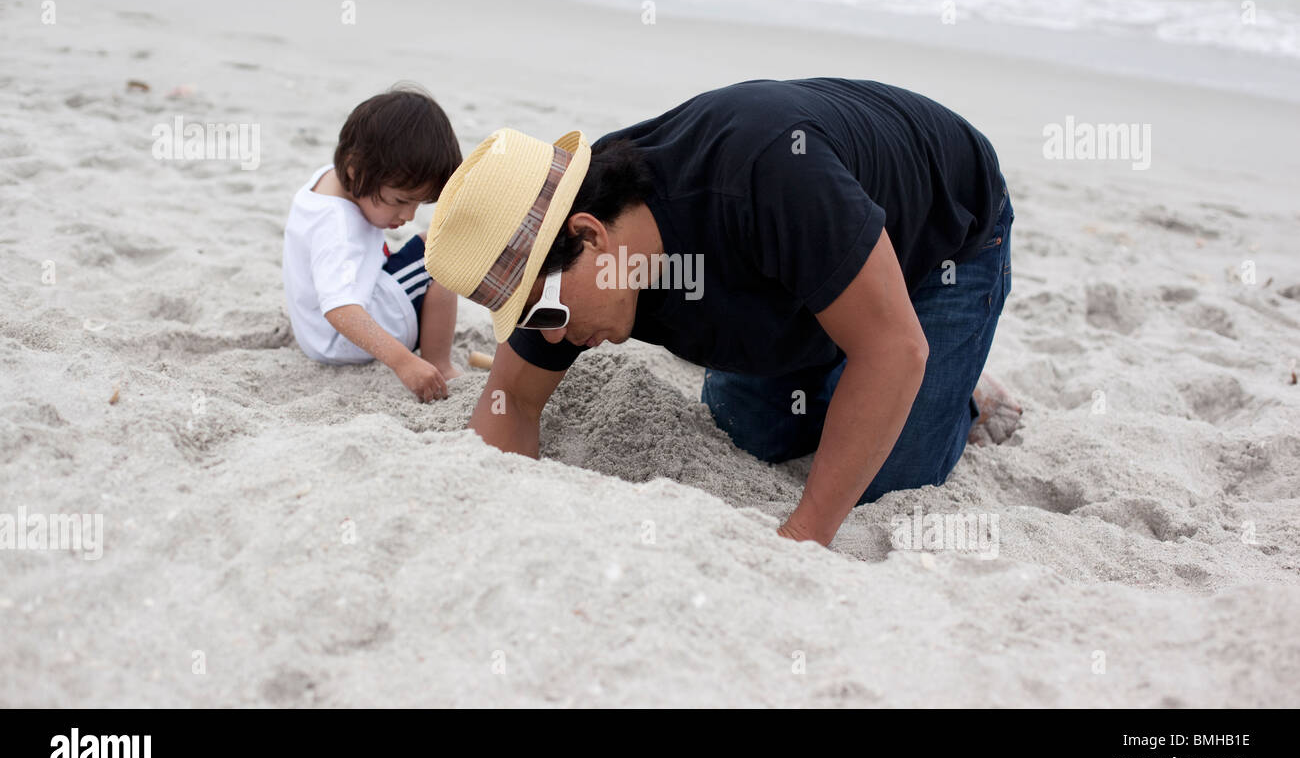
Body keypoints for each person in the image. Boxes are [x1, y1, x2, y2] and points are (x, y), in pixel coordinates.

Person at [424, 78, 1021, 545]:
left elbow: (894, 349)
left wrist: (802, 537)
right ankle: (854, 342)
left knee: (885, 477)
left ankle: (954, 387)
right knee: (752, 433)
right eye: (529, 323)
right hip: (795, 276)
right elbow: (511, 401)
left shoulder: (767, 173)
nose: (553, 337)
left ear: (590, 236)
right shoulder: (565, 267)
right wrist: (493, 513)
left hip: (939, 243)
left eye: (545, 314)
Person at [282, 84, 463, 402]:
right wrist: (404, 363)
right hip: (341, 338)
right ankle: (439, 364)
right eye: (401, 200)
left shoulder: (330, 182)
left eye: (418, 204)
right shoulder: (336, 225)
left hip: (314, 336)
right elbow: (340, 308)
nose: (408, 215)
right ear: (355, 171)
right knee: (437, 252)